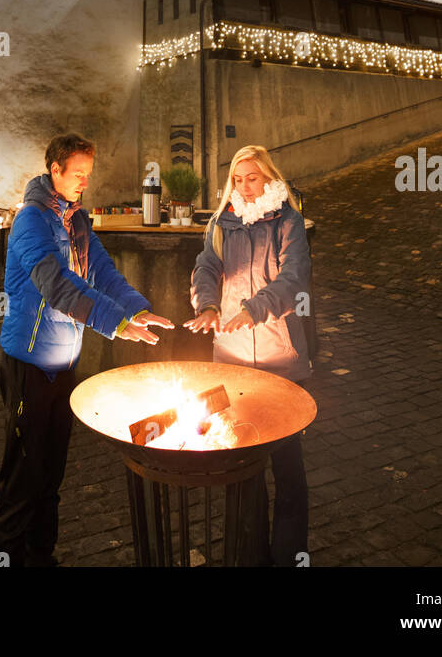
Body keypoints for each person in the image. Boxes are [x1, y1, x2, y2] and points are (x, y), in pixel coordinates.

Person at [0, 132, 173, 567]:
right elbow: (56, 285)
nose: (83, 182)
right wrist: (115, 324)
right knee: (21, 480)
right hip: (28, 366)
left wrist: (138, 311)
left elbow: (104, 274)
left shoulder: (77, 221)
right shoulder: (31, 220)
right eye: (76, 174)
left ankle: (41, 558)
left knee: (50, 477)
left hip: (63, 367)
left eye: (88, 175)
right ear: (54, 169)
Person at [185, 144, 313, 566]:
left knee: (287, 469)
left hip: (280, 360)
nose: (244, 186)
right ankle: (250, 556)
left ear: (270, 178)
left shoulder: (287, 220)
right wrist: (207, 306)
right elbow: (206, 266)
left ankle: (289, 555)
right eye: (238, 180)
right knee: (243, 467)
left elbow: (295, 278)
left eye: (252, 178)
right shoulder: (223, 222)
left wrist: (253, 310)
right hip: (233, 360)